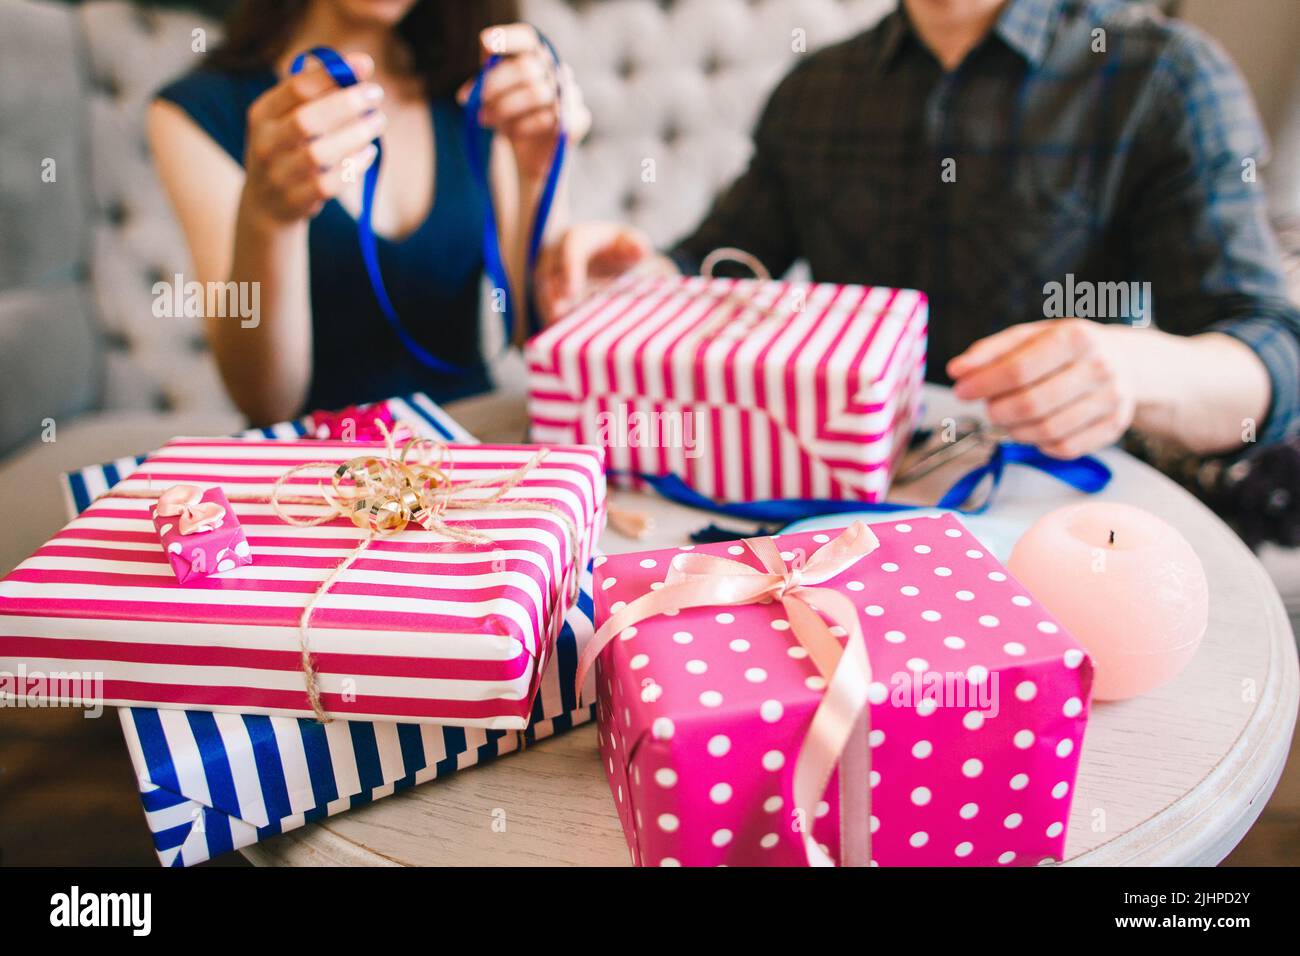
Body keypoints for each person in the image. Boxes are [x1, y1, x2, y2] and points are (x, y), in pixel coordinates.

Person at [537, 0, 1300, 460]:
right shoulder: (816, 88)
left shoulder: (1162, 77)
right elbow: (723, 264)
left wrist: (1134, 372)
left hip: (1059, 498)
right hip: (833, 490)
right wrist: (635, 290)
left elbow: (1272, 352)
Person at [151, 0, 588, 425]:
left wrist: (543, 172)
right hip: (315, 475)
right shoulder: (197, 110)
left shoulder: (473, 86)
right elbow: (268, 403)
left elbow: (535, 337)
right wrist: (269, 220)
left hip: (472, 449)